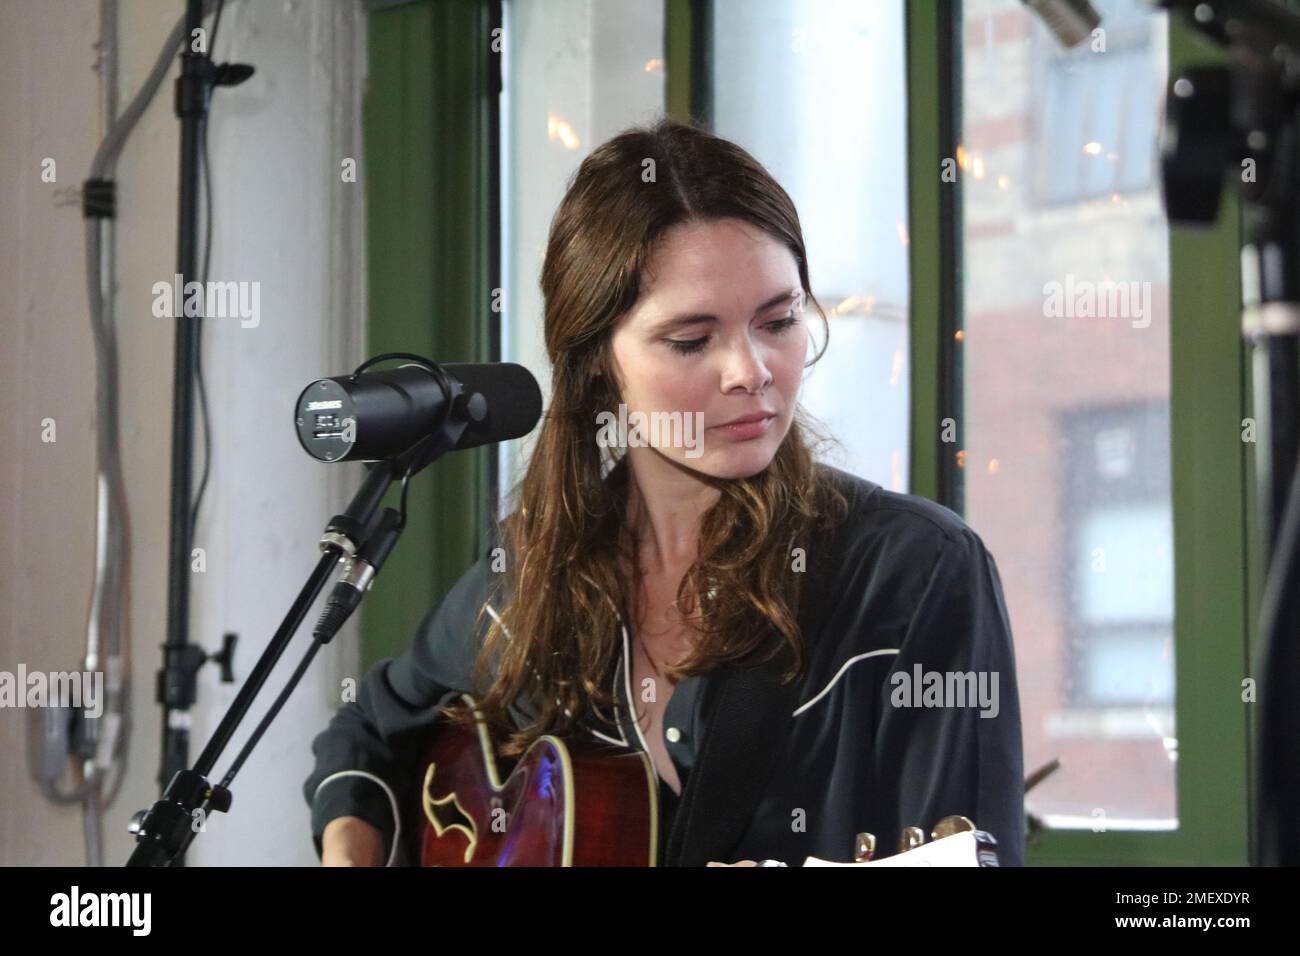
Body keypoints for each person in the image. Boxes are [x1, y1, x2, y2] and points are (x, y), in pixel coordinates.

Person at [303, 116, 1025, 867]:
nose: (750, 371)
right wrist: (350, 848)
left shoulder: (917, 573)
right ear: (594, 363)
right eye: (691, 340)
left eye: (779, 321)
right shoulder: (530, 569)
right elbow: (370, 729)